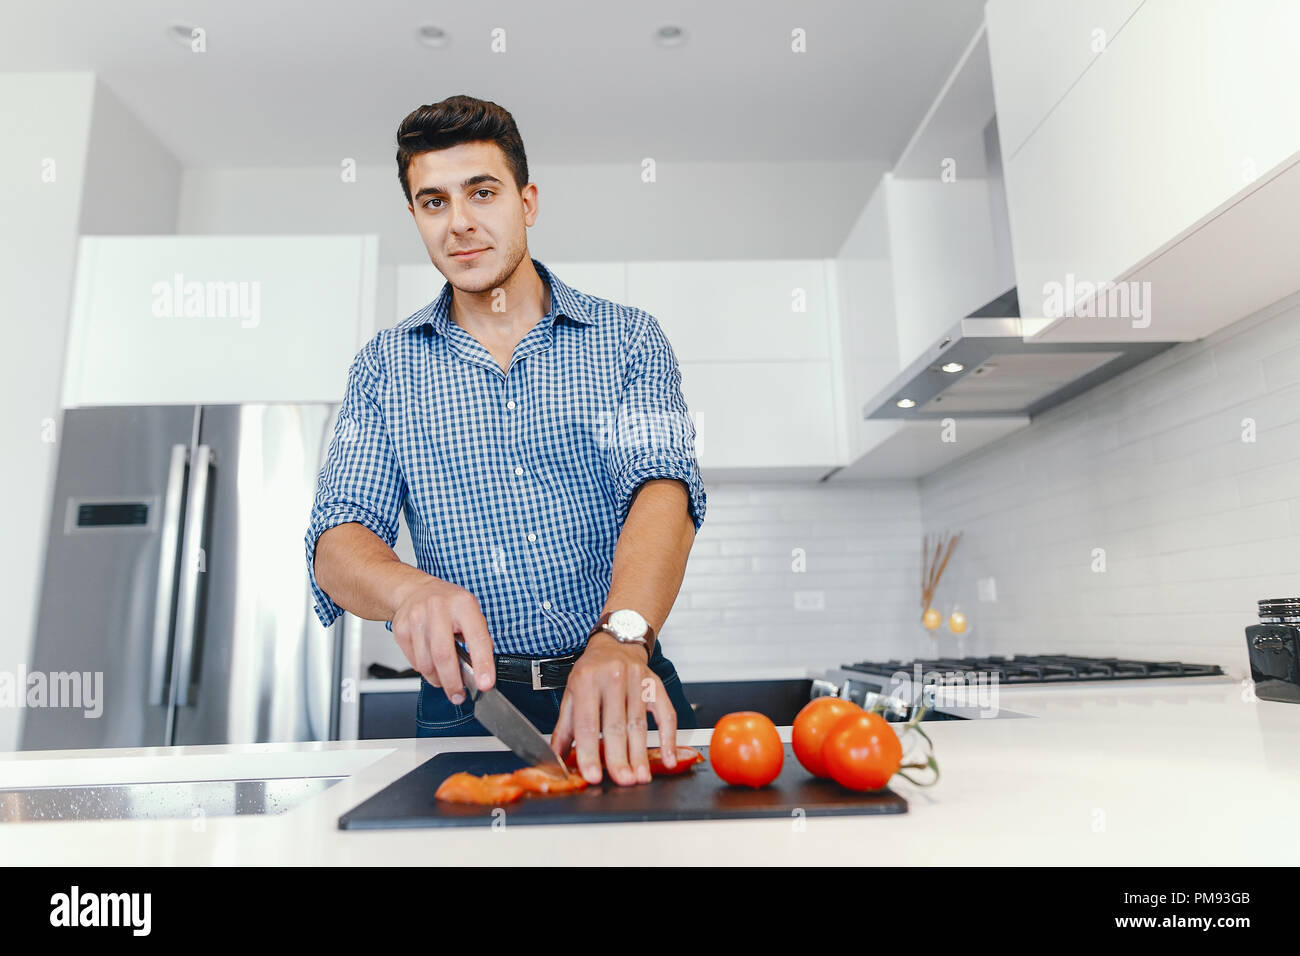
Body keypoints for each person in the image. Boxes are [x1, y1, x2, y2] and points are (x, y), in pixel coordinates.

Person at [304, 94, 707, 787]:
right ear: (415, 218)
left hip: (619, 674)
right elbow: (337, 541)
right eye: (433, 203)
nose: (458, 223)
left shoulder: (630, 340)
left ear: (527, 201)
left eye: (481, 193)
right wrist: (409, 591)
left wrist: (625, 635)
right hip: (471, 706)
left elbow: (663, 486)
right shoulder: (383, 368)